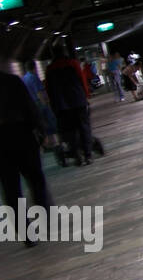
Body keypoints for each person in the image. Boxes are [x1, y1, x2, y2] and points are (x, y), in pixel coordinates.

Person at [0, 71, 51, 247]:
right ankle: (43, 218)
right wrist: (41, 130)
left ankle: (28, 235)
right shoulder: (11, 80)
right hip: (21, 135)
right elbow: (29, 106)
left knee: (11, 190)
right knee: (36, 179)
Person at [44, 43, 101, 165]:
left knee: (69, 132)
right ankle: (88, 155)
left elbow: (49, 89)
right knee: (84, 128)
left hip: (61, 106)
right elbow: (82, 80)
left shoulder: (50, 69)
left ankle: (76, 155)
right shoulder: (73, 63)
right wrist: (86, 96)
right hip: (78, 101)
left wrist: (53, 104)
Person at [20, 60, 58, 150]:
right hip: (39, 104)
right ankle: (53, 143)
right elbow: (39, 92)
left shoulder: (23, 79)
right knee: (50, 123)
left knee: (41, 125)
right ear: (35, 67)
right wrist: (46, 103)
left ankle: (45, 144)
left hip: (31, 105)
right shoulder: (34, 77)